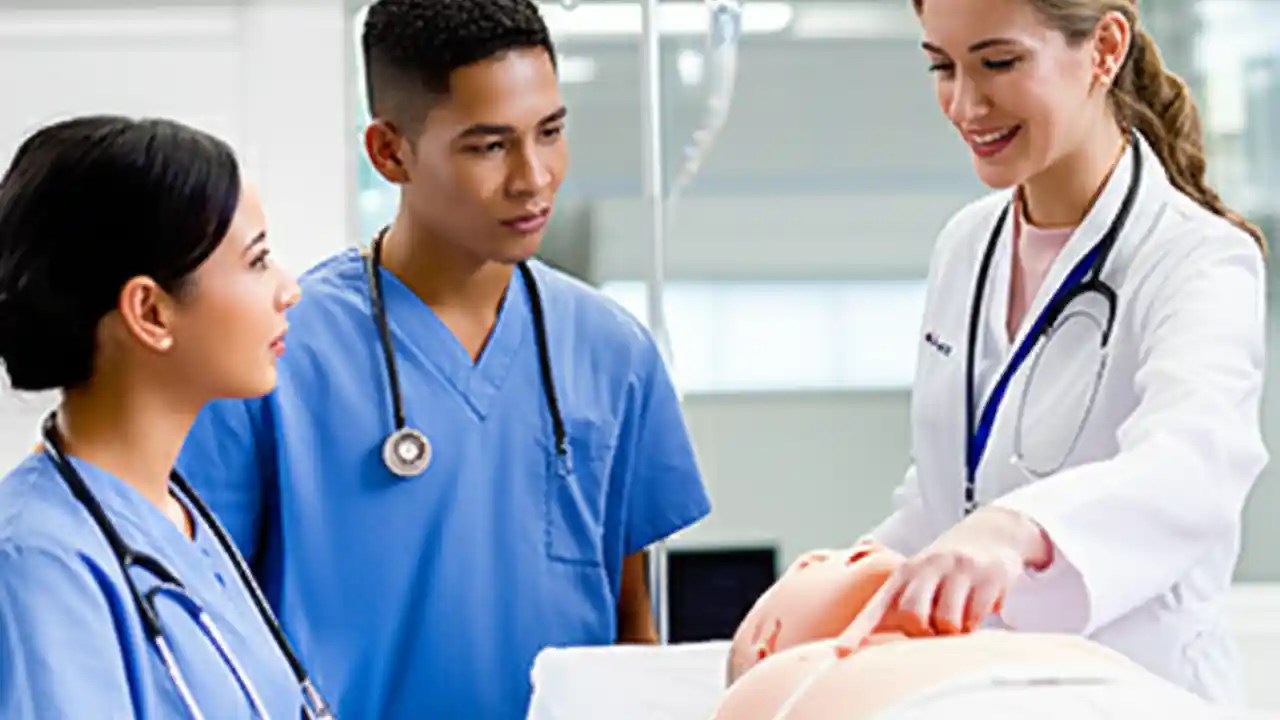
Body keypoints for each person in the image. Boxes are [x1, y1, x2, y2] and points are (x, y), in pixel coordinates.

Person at [176, 0, 712, 717]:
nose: (534, 177)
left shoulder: (613, 354)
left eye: (550, 132)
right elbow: (203, 631)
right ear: (389, 152)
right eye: (489, 146)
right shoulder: (275, 355)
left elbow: (632, 633)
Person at [834, 0, 1269, 706]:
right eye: (942, 67)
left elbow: (1193, 463)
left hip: (1139, 696)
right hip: (989, 691)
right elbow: (952, 489)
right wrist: (857, 567)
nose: (966, 104)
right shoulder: (967, 245)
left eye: (999, 63)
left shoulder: (1198, 258)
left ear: (1104, 47)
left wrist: (1021, 530)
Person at [0, 116, 332, 718]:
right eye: (258, 262)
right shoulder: (37, 562)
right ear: (151, 312)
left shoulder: (180, 518)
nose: (290, 290)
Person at [714, 541, 1253, 719]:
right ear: (768, 644)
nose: (857, 549)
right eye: (812, 564)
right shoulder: (791, 676)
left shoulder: (1019, 647)